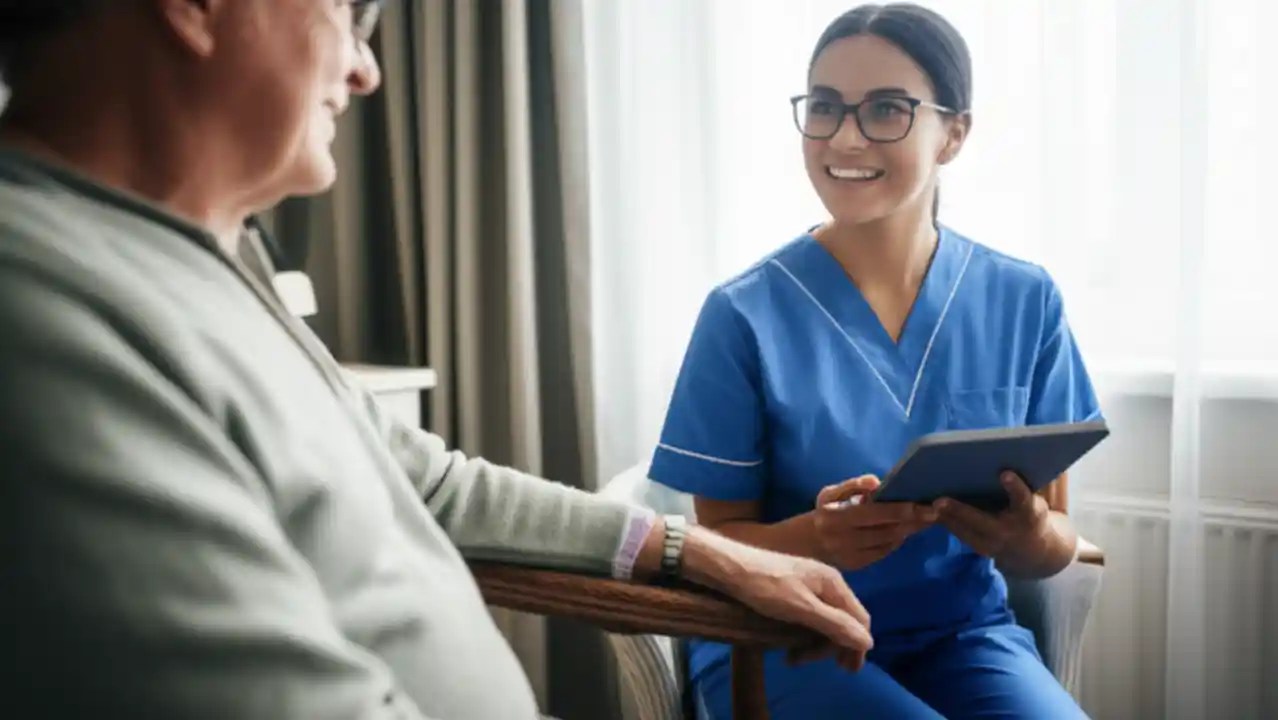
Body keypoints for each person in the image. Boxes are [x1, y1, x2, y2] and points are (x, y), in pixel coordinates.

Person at [0, 2, 875, 718]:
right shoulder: (40, 312)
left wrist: (701, 552)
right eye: (349, 12)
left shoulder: (220, 257)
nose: (365, 69)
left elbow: (431, 482)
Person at [649, 4, 1101, 719]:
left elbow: (1056, 537)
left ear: (954, 133)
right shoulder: (742, 315)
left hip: (963, 636)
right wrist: (815, 539)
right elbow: (719, 542)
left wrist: (1030, 536)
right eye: (824, 107)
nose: (845, 137)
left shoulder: (1025, 300)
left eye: (886, 109)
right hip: (782, 633)